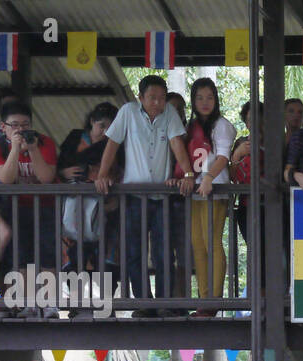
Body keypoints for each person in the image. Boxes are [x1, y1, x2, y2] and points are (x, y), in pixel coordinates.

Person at [94, 75, 196, 317]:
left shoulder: (169, 113)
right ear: (140, 97)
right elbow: (112, 144)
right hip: (133, 195)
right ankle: (143, 303)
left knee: (163, 252)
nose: (157, 103)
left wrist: (189, 173)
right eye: (152, 98)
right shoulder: (128, 112)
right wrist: (102, 174)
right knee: (134, 253)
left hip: (161, 195)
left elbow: (177, 144)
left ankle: (165, 304)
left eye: (161, 98)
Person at [0, 100, 62, 317]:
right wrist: (15, 148)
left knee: (48, 254)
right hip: (15, 207)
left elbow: (46, 177)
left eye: (25, 125)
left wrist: (33, 149)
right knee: (20, 255)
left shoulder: (45, 142)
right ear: (3, 127)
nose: (20, 129)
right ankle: (27, 303)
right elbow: (6, 178)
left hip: (46, 206)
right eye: (14, 125)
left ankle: (48, 304)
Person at [58, 102, 119, 299]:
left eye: (111, 128)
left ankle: (106, 306)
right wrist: (64, 171)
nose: (105, 132)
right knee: (74, 258)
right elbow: (60, 166)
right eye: (102, 126)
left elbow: (121, 172)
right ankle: (75, 304)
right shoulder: (75, 139)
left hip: (105, 210)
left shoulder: (117, 145)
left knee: (106, 259)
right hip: (75, 211)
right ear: (91, 122)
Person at [186, 78, 235, 313]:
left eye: (209, 97)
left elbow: (224, 157)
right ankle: (203, 299)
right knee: (198, 244)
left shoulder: (222, 125)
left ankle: (214, 300)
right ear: (193, 101)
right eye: (199, 98)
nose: (205, 102)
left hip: (215, 190)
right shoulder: (192, 126)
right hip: (195, 190)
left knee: (211, 242)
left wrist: (208, 177)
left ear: (216, 100)